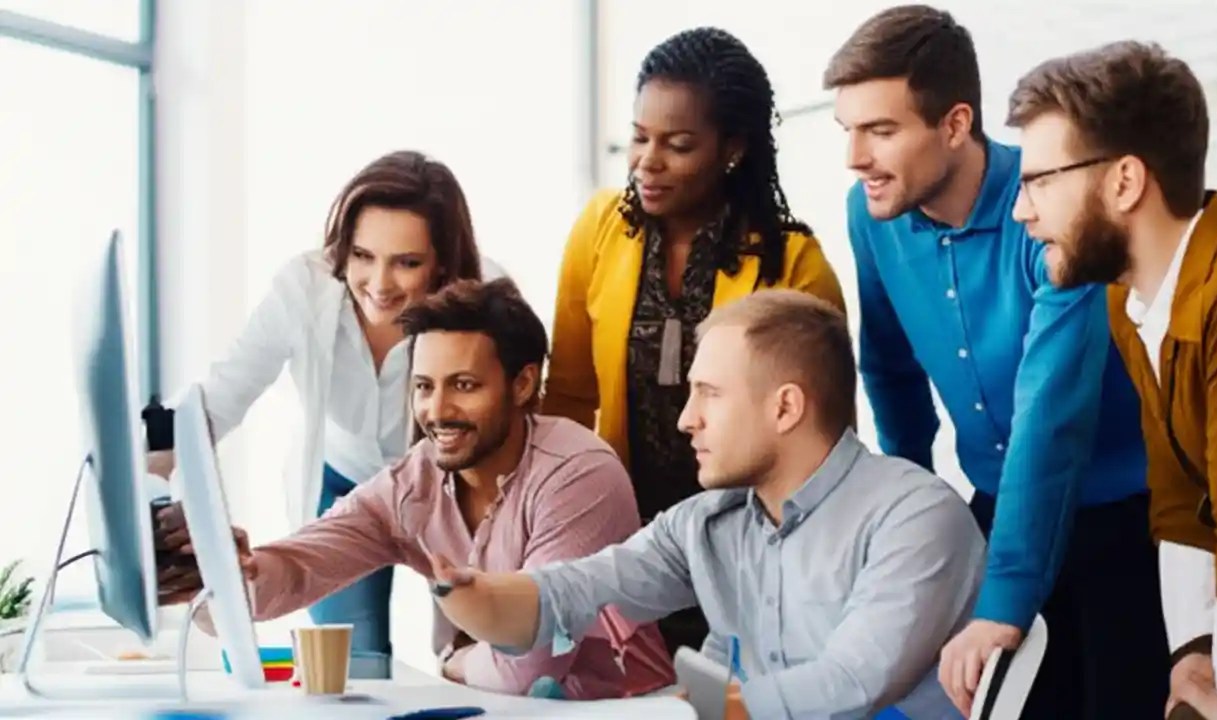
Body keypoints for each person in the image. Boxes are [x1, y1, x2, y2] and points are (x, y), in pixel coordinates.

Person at [823, 6, 1168, 717]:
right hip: (995, 507)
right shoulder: (870, 211)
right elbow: (887, 367)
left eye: (880, 130)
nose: (855, 157)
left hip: (1128, 518)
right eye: (847, 130)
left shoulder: (1049, 205)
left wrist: (1003, 603)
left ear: (955, 124)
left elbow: (1052, 420)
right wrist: (913, 507)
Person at [422, 290, 985, 719]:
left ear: (785, 408)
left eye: (709, 394)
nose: (686, 419)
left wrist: (687, 712)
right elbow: (589, 584)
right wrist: (483, 596)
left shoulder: (915, 517)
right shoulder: (709, 522)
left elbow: (851, 684)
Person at [155, 278, 674, 699]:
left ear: (522, 385)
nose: (437, 411)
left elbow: (530, 666)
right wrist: (227, 574)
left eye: (464, 386)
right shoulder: (414, 482)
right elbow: (299, 568)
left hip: (623, 711)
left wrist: (453, 663)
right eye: (424, 386)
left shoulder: (578, 474)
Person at [541, 26, 846, 657]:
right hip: (623, 545)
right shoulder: (600, 230)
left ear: (732, 148)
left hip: (748, 553)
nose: (647, 162)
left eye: (678, 145)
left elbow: (821, 441)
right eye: (639, 138)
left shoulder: (794, 264)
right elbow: (567, 396)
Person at [1007, 40, 1217, 719]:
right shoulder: (1127, 301)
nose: (1022, 211)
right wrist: (1192, 653)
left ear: (1125, 181)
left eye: (1041, 181)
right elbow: (1179, 495)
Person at [147, 150, 504, 659]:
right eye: (363, 256)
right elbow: (219, 399)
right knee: (353, 665)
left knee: (473, 659)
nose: (379, 284)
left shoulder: (485, 302)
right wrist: (150, 477)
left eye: (406, 263)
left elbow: (510, 435)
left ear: (442, 260)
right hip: (346, 490)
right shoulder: (303, 289)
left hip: (453, 493)